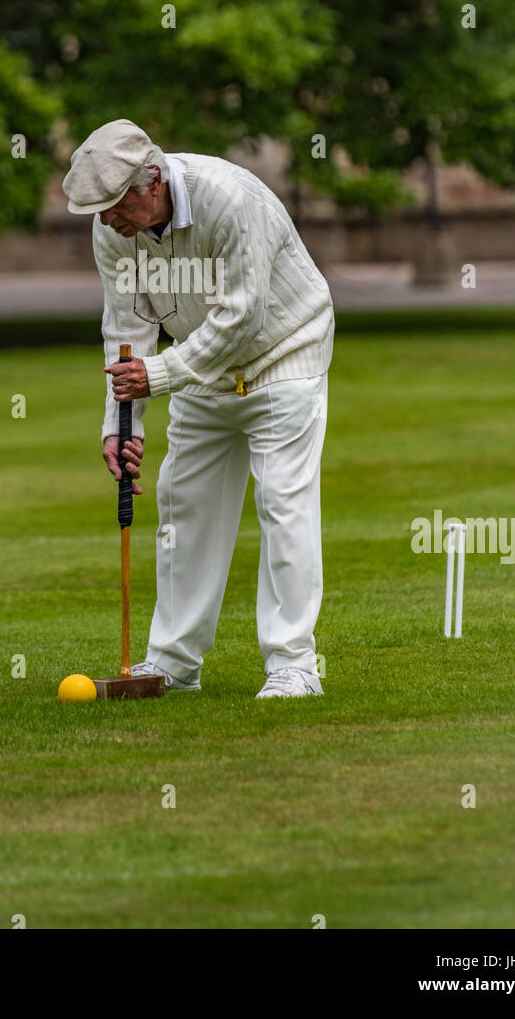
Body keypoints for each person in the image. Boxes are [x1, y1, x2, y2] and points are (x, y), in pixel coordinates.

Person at [62, 119, 334, 699]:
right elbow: (126, 325)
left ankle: (294, 666)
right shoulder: (113, 229)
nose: (106, 221)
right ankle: (174, 663)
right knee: (183, 508)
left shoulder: (230, 200)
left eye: (113, 206)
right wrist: (120, 424)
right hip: (199, 374)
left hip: (283, 354)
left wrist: (158, 376)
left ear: (152, 182)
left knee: (283, 502)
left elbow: (242, 319)